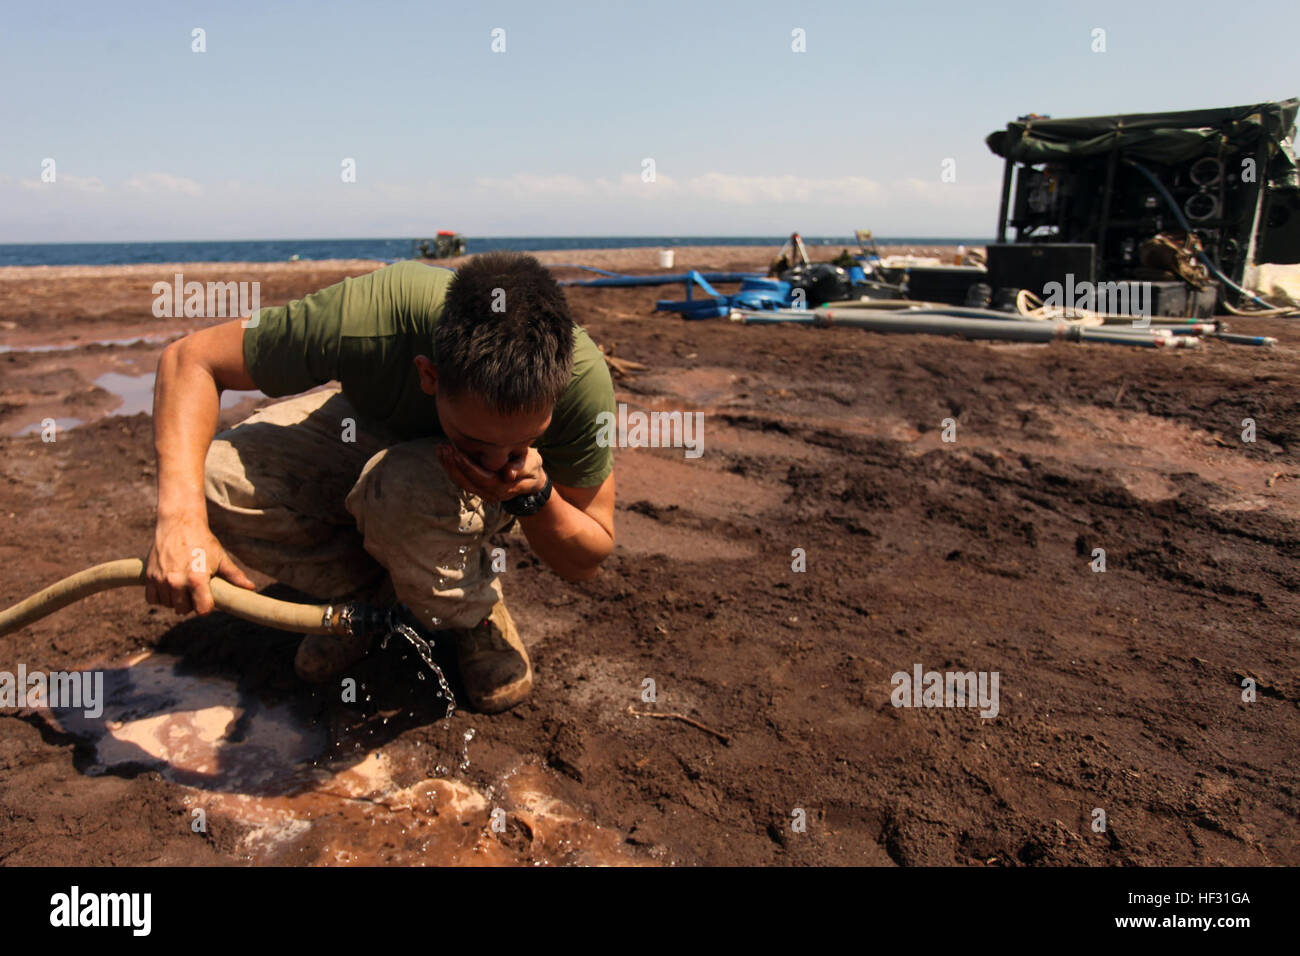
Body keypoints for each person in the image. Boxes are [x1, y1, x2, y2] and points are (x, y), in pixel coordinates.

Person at [145, 252, 617, 713]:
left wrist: (534, 495)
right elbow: (191, 360)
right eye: (476, 445)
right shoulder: (370, 315)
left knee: (404, 485)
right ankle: (377, 593)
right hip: (371, 435)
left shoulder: (581, 381)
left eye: (520, 445)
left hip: (419, 489)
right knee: (208, 481)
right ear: (429, 375)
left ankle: (471, 609)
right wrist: (179, 520)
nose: (495, 466)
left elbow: (586, 558)